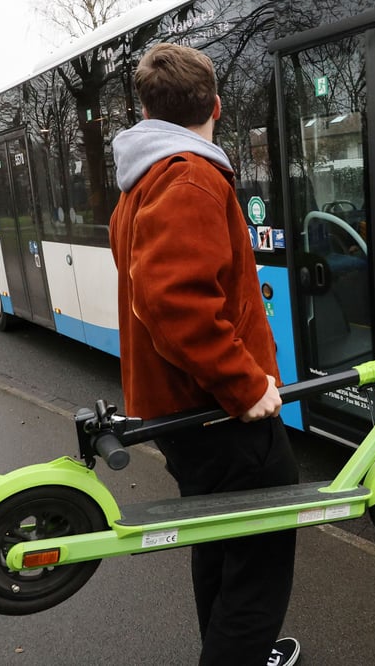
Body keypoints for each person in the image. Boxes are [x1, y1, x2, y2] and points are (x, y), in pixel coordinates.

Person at [109, 42, 300, 666]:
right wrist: (246, 386)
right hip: (217, 411)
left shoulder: (139, 183)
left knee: (218, 537)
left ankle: (232, 651)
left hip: (183, 409)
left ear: (148, 111)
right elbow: (176, 304)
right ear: (216, 105)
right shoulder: (189, 175)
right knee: (260, 554)